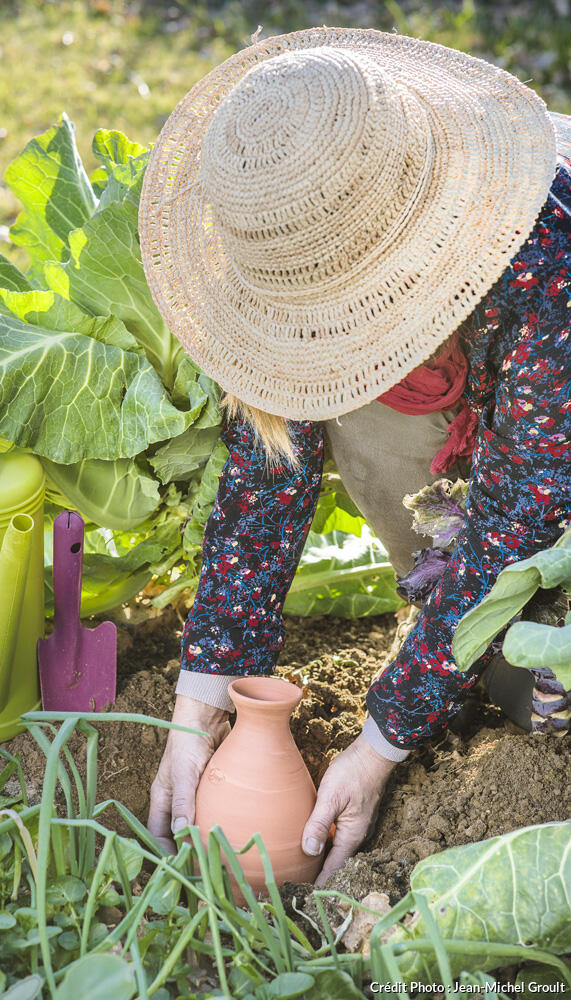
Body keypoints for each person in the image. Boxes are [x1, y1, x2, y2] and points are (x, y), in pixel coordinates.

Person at [137, 27, 571, 886]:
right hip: (498, 455)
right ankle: (448, 633)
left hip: (547, 463)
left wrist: (377, 748)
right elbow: (268, 474)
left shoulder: (543, 263)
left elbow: (520, 523)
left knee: (547, 700)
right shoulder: (293, 234)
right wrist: (200, 702)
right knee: (480, 652)